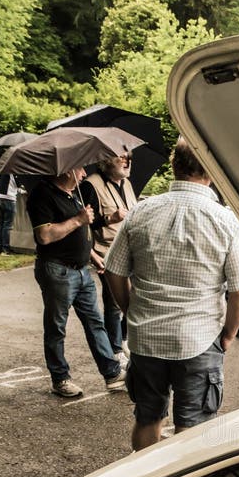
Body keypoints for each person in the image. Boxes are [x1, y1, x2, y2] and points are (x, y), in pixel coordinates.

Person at [105, 137, 239, 451]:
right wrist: (227, 336)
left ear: (174, 165)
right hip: (199, 339)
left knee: (147, 418)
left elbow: (113, 271)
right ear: (211, 170)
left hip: (146, 337)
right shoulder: (225, 220)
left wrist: (130, 308)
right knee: (194, 427)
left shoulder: (141, 211)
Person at [26, 167, 126, 399]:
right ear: (65, 170)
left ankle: (111, 373)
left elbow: (82, 233)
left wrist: (93, 256)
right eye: (79, 169)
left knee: (95, 322)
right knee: (56, 327)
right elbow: (45, 236)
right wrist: (78, 219)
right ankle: (60, 378)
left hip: (81, 270)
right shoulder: (41, 194)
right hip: (57, 270)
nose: (83, 175)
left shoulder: (74, 194)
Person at [83, 155, 137, 366]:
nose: (127, 162)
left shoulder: (127, 183)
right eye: (121, 158)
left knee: (133, 298)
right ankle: (115, 350)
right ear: (105, 161)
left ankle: (123, 340)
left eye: (128, 158)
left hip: (131, 249)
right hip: (107, 251)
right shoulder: (91, 185)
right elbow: (85, 222)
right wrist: (109, 219)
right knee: (114, 302)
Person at [0, 173, 19, 254]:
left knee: (1, 224)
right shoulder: (14, 171)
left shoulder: (3, 170)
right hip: (9, 198)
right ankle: (6, 249)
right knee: (7, 225)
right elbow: (18, 184)